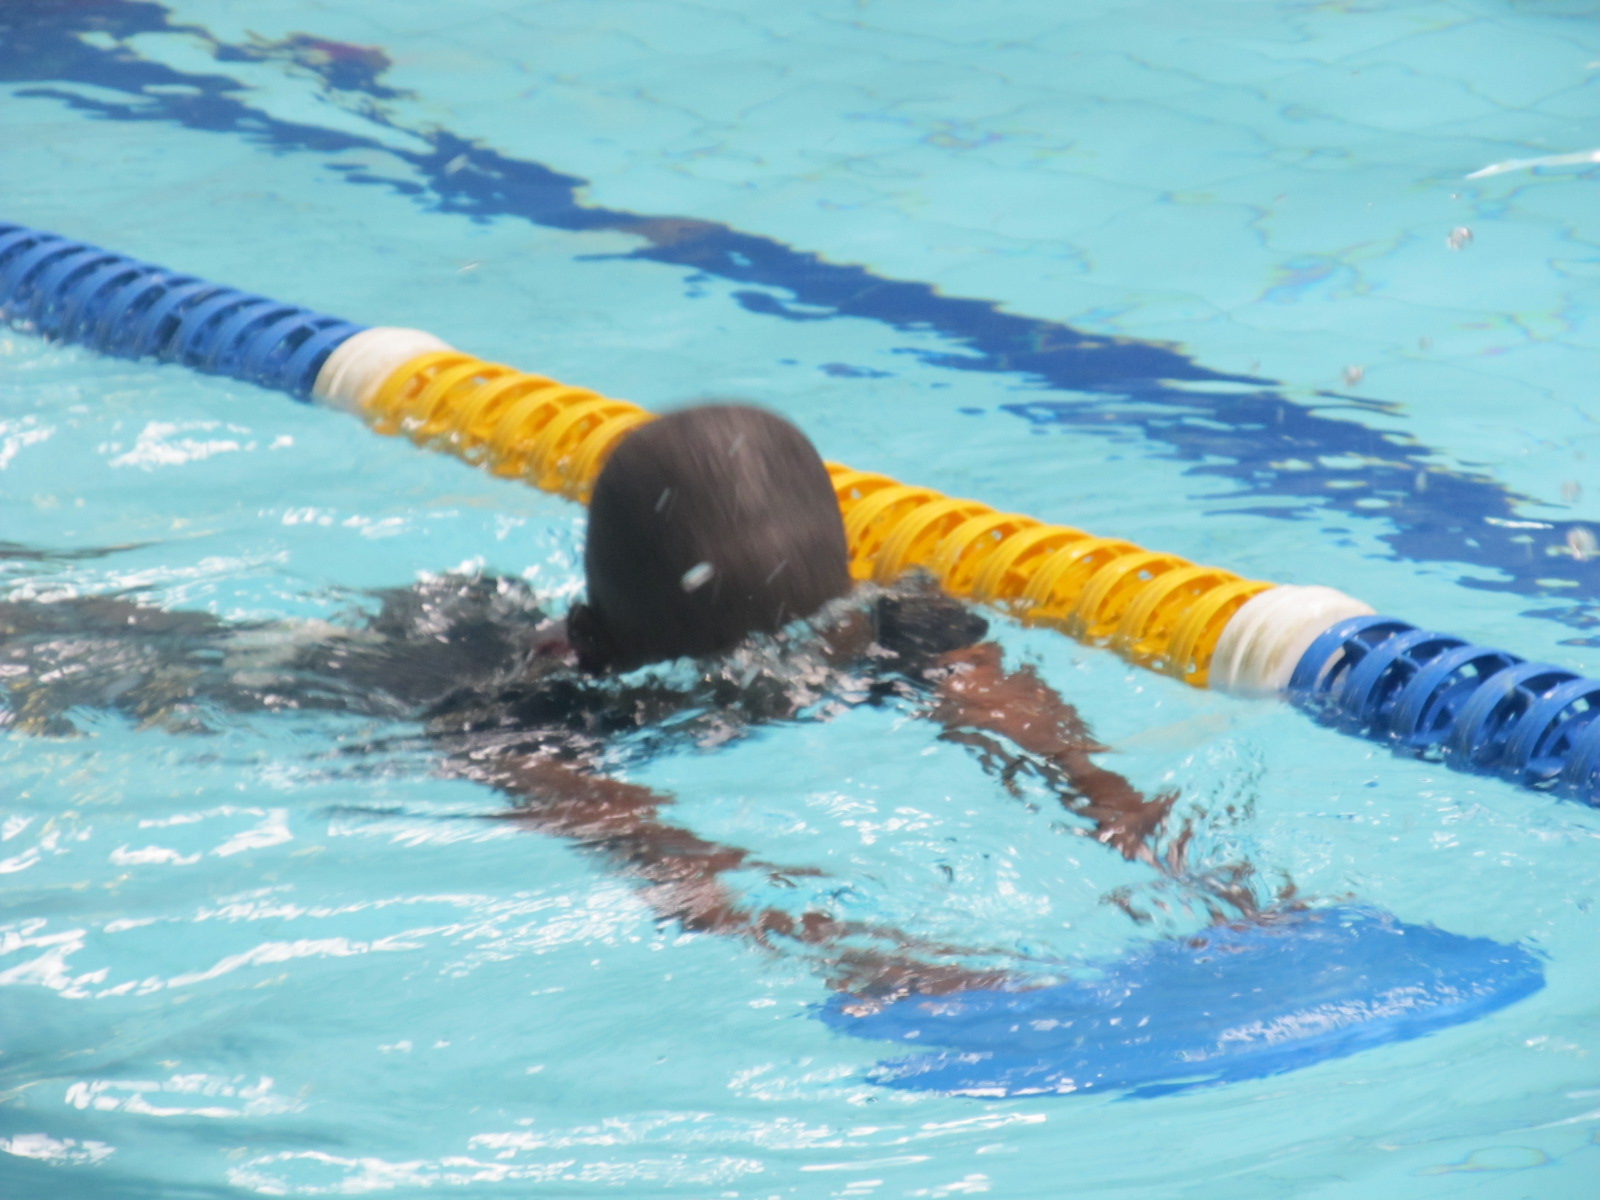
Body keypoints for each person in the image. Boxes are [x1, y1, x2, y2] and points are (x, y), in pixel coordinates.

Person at [0, 405, 1241, 1001]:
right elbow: (679, 864)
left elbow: (1089, 779)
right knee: (123, 665)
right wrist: (860, 954)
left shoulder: (894, 628)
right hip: (375, 675)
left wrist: (1220, 898)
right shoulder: (521, 714)